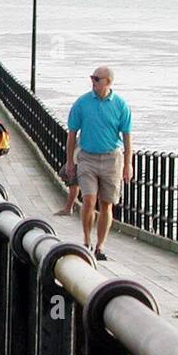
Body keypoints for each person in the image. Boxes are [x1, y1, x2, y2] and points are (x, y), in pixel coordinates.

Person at [62, 66, 132, 260]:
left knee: (106, 204)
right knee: (89, 200)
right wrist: (69, 162)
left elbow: (127, 137)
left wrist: (128, 164)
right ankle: (86, 240)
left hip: (112, 158)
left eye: (97, 79)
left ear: (108, 82)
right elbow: (71, 133)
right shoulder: (82, 103)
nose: (93, 82)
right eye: (92, 78)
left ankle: (100, 246)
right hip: (87, 157)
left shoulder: (120, 105)